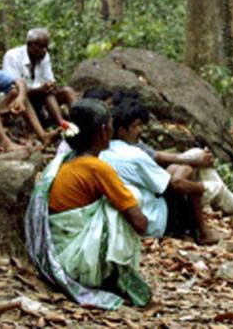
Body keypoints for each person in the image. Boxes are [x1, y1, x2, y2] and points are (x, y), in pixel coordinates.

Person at [26, 98, 151, 309]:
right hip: (74, 265)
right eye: (110, 127)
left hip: (53, 257)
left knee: (118, 199)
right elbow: (140, 224)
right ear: (104, 131)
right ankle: (110, 276)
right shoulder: (97, 168)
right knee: (127, 200)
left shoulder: (65, 161)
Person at [99, 101, 224, 245]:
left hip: (125, 213)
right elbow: (172, 185)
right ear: (121, 131)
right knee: (185, 172)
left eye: (141, 125)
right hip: (151, 221)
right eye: (135, 126)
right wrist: (202, 188)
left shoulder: (103, 152)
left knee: (177, 172)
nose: (140, 130)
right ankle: (201, 232)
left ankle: (192, 231)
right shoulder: (135, 155)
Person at [2, 28, 77, 131]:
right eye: (40, 47)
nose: (44, 50)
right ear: (30, 45)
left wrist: (51, 85)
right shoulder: (12, 56)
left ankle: (80, 121)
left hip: (41, 98)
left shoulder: (44, 56)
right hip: (21, 99)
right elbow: (14, 90)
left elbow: (49, 80)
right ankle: (62, 125)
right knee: (45, 94)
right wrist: (40, 90)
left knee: (67, 91)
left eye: (46, 47)